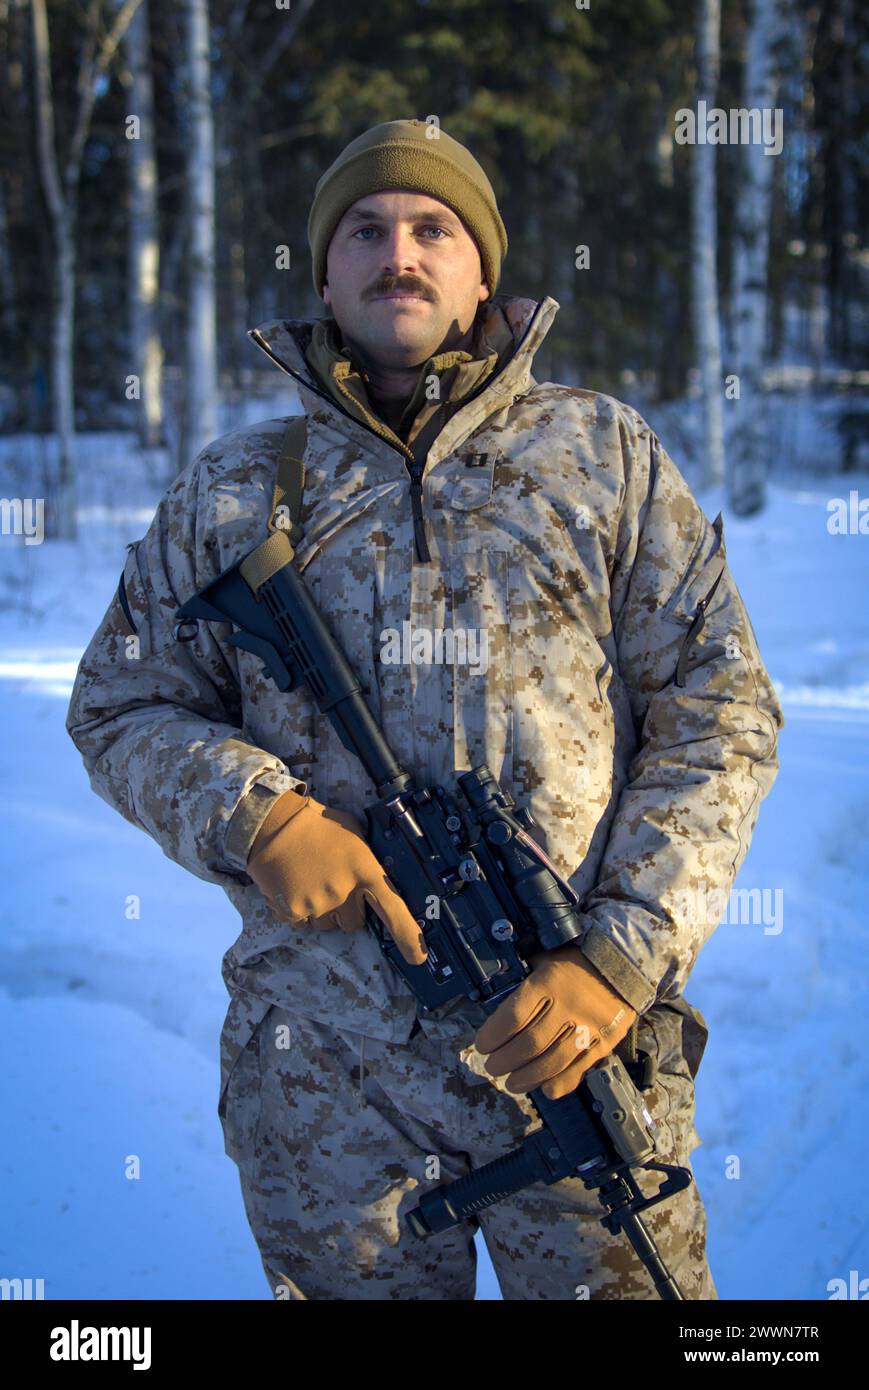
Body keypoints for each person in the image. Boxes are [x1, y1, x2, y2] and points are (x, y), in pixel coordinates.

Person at [66, 117, 784, 1300]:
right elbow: (118, 702)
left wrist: (618, 956)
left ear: (479, 269)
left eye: (431, 228)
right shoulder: (236, 487)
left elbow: (721, 710)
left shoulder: (600, 456)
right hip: (324, 1091)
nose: (398, 253)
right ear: (326, 266)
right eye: (365, 228)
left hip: (573, 1048)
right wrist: (258, 816)